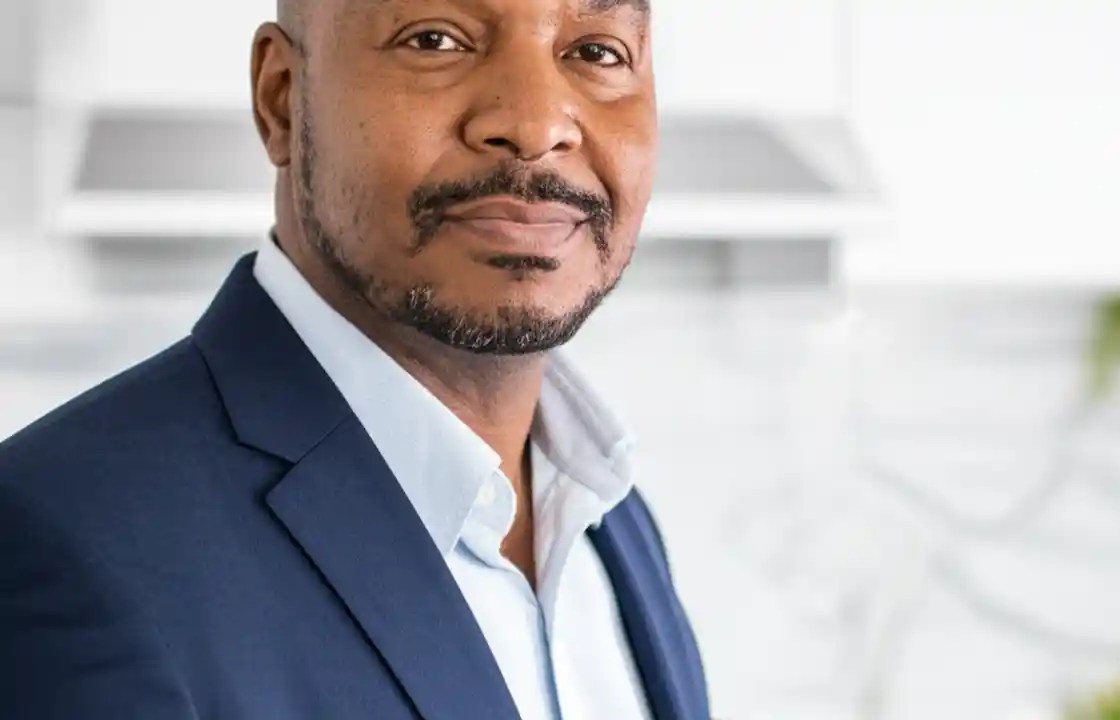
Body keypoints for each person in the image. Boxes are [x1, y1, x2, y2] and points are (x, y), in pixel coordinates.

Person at [0, 0, 709, 717]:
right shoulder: (68, 545)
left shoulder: (603, 510)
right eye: (436, 39)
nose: (535, 125)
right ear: (281, 99)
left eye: (596, 53)